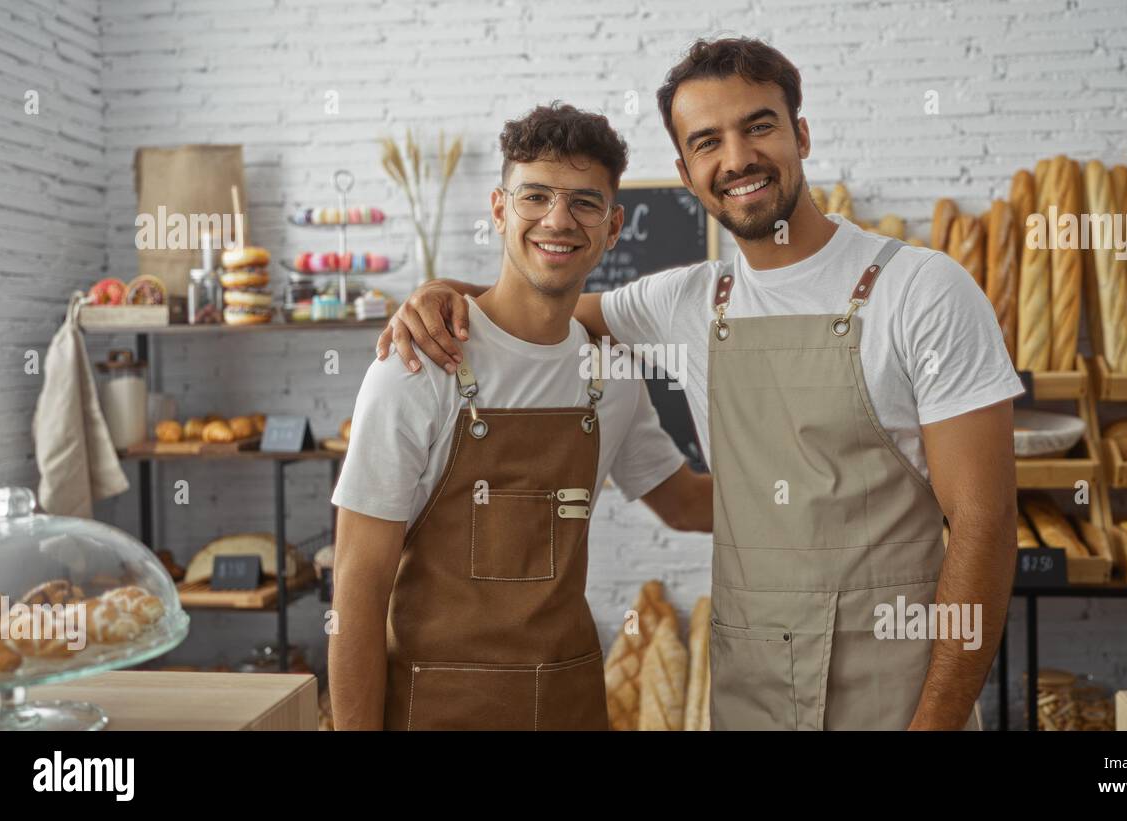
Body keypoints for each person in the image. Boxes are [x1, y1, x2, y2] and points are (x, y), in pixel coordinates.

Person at [376, 38, 1022, 730]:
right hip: (749, 694)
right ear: (687, 174)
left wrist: (938, 723)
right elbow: (539, 307)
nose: (738, 158)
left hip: (896, 694)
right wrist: (441, 293)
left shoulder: (922, 291)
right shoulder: (688, 299)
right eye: (708, 142)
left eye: (760, 126)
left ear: (801, 134)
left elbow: (984, 527)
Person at [329, 102, 712, 731]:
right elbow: (357, 591)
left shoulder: (610, 375)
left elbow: (687, 504)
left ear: (613, 227)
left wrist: (830, 484)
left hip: (570, 709)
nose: (558, 220)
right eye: (534, 196)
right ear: (501, 209)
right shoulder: (417, 365)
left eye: (585, 203)